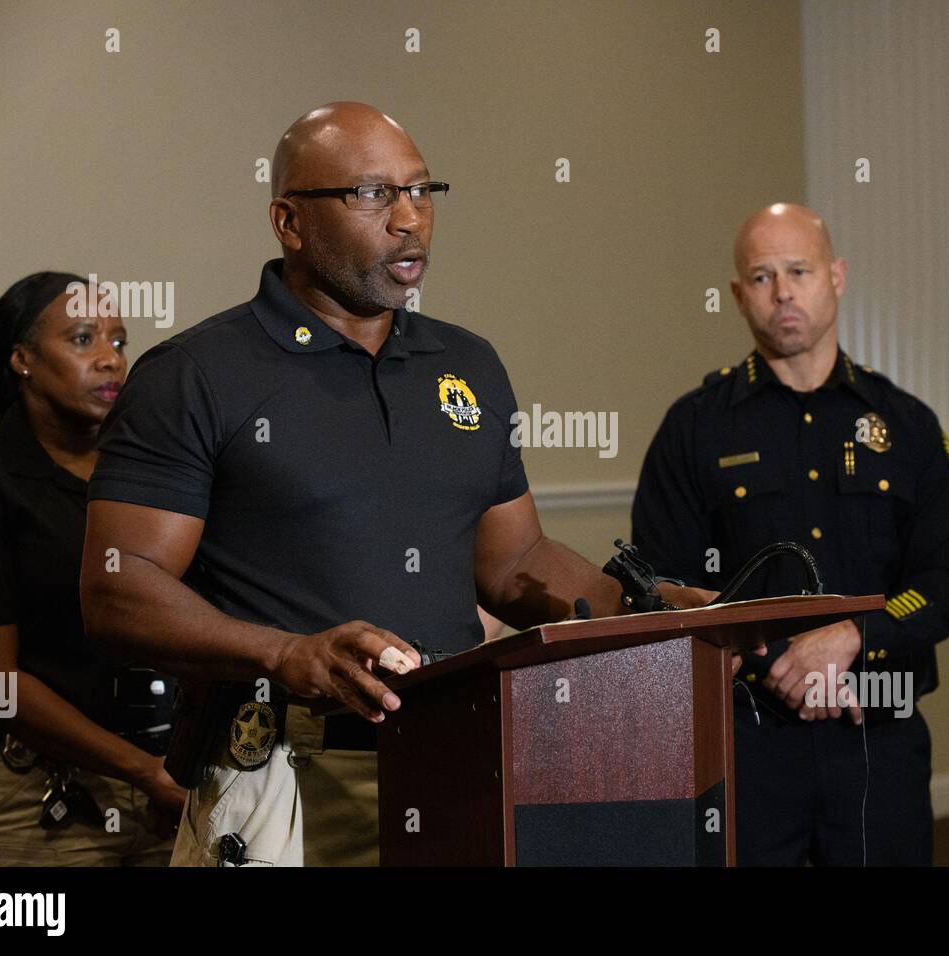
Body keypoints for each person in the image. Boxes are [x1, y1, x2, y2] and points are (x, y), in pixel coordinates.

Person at [79, 101, 709, 867]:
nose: (411, 219)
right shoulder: (198, 374)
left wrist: (651, 610)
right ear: (289, 220)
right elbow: (119, 587)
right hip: (293, 773)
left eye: (422, 191)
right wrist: (285, 654)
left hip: (464, 759)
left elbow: (513, 565)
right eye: (373, 195)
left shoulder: (466, 364)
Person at [631, 203, 949, 865]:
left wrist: (851, 639)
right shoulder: (696, 428)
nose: (783, 291)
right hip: (747, 739)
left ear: (837, 277)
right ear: (738, 295)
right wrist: (779, 662)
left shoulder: (907, 426)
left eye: (799, 270)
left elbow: (948, 586)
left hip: (880, 731)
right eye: (761, 277)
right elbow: (659, 587)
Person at [0, 272, 184, 866]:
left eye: (119, 341)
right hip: (40, 795)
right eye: (83, 339)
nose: (110, 361)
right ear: (22, 360)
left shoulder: (150, 474)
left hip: (171, 787)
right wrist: (140, 769)